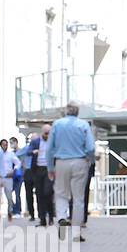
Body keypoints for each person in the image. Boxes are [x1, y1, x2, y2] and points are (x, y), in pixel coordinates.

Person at [47, 101, 95, 240]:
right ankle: (76, 233)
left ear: (66, 111)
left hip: (61, 162)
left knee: (61, 194)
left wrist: (50, 167)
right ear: (78, 112)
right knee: (78, 198)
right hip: (80, 161)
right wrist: (89, 159)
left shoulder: (57, 124)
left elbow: (50, 149)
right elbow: (91, 148)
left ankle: (62, 219)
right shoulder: (83, 125)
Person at [33, 126, 54, 227]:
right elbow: (28, 151)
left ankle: (50, 216)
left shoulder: (53, 141)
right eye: (46, 133)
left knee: (48, 193)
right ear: (42, 133)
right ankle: (42, 219)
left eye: (49, 133)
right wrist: (33, 152)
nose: (47, 135)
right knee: (39, 194)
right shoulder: (36, 142)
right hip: (38, 169)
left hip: (49, 169)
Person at [0, 138, 20, 222]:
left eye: (6, 145)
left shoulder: (10, 154)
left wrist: (14, 170)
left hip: (8, 177)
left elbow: (18, 163)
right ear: (0, 145)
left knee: (9, 196)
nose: (5, 146)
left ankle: (10, 211)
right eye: (4, 145)